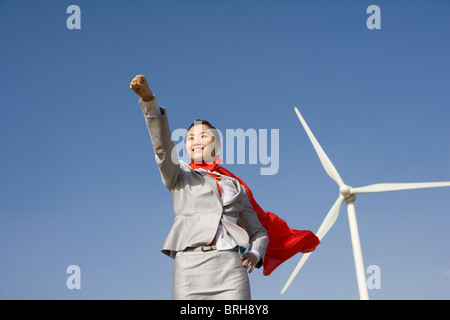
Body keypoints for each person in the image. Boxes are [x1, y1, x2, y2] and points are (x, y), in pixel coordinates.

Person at [130, 74, 269, 300]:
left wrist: (255, 253)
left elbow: (259, 231)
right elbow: (162, 148)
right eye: (189, 138)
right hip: (189, 267)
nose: (195, 141)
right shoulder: (179, 174)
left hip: (230, 268)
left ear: (216, 144)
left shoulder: (235, 185)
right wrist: (150, 103)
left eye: (203, 136)